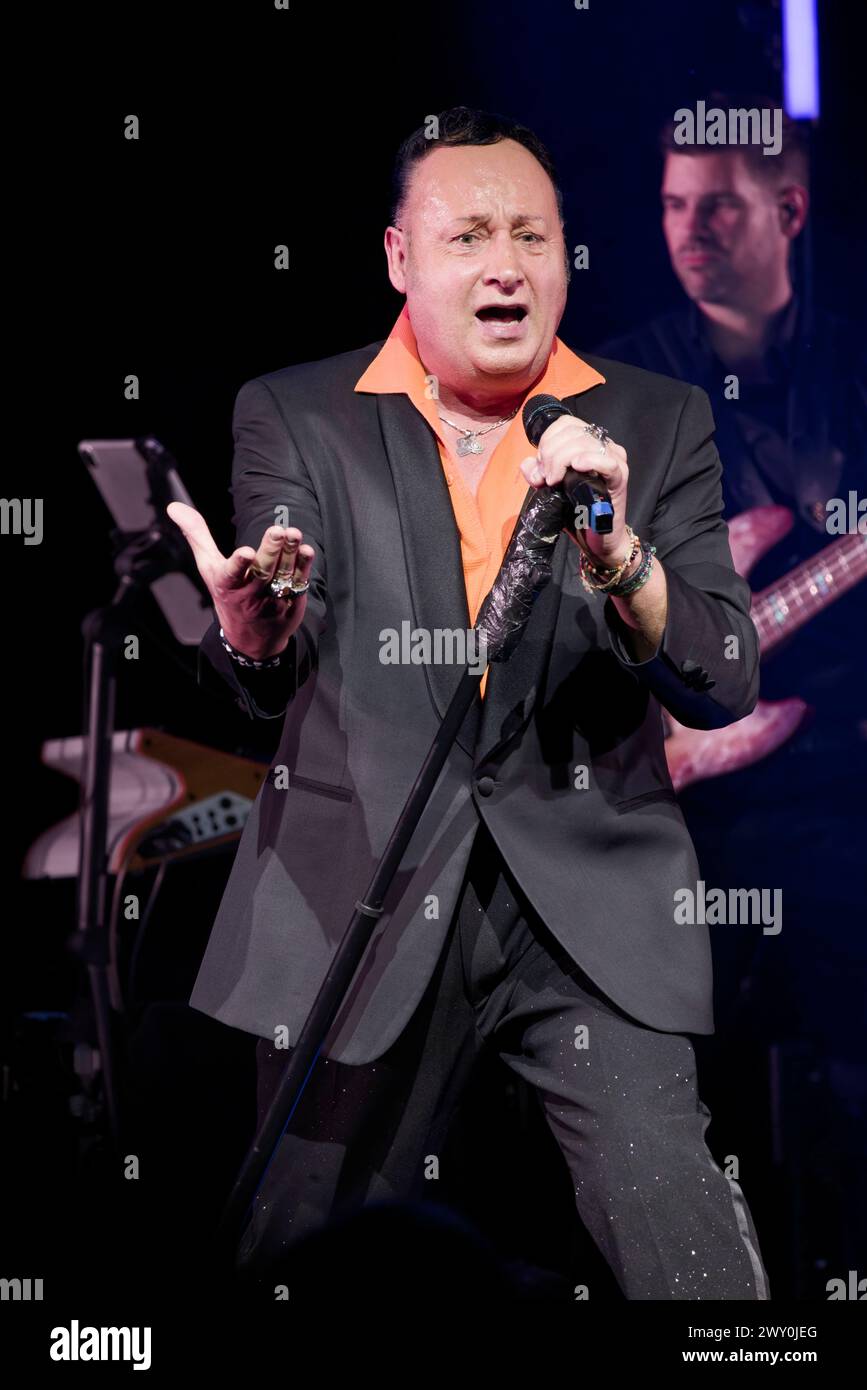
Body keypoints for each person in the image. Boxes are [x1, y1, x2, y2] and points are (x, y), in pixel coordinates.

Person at [168, 106, 770, 1300]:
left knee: (690, 1256)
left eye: (533, 236)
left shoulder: (654, 420)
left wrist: (617, 551)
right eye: (471, 236)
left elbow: (723, 673)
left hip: (590, 902)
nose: (508, 264)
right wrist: (251, 634)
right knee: (296, 1263)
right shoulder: (297, 414)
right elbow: (266, 660)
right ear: (401, 258)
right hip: (361, 889)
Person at [596, 93, 867, 1063]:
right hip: (672, 811)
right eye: (674, 205)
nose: (688, 229)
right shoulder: (621, 387)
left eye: (717, 205)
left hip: (838, 784)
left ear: (789, 213)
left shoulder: (853, 370)